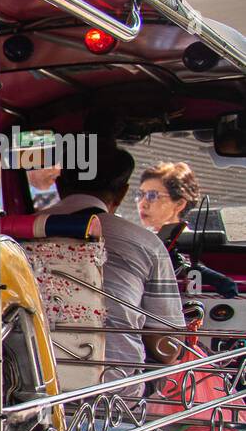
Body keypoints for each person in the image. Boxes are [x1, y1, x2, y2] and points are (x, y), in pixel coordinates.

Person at [42, 146, 183, 379]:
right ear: (123, 193)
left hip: (26, 395)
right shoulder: (147, 244)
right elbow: (167, 348)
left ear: (59, 185)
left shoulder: (13, 236)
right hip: (116, 401)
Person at [135, 161, 199, 232]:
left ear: (179, 204)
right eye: (140, 194)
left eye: (152, 196)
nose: (142, 204)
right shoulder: (140, 239)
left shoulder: (190, 242)